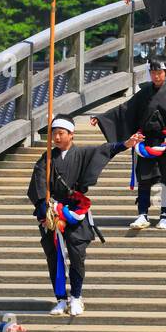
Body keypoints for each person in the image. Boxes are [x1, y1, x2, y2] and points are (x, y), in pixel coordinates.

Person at [92, 58, 166, 230]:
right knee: (144, 179)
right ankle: (142, 214)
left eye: (159, 72)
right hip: (145, 141)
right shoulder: (144, 92)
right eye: (153, 73)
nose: (156, 76)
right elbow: (125, 108)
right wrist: (102, 118)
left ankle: (165, 215)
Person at [28, 116, 125, 315]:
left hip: (74, 210)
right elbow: (38, 182)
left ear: (71, 134)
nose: (56, 136)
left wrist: (125, 144)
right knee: (54, 257)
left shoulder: (81, 153)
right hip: (53, 212)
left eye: (60, 133)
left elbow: (104, 150)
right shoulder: (46, 158)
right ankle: (61, 298)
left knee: (76, 256)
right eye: (54, 133)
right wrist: (44, 208)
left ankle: (77, 297)